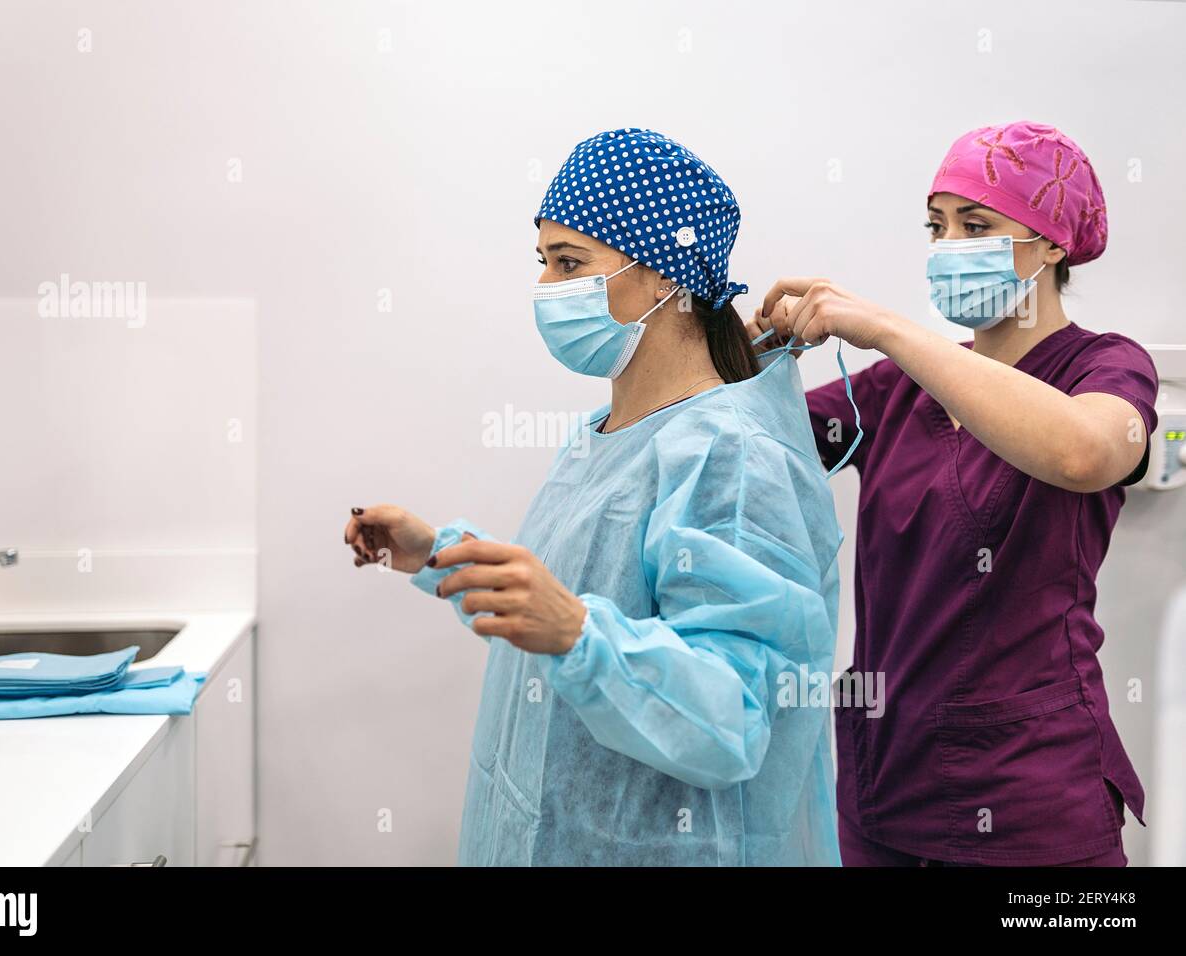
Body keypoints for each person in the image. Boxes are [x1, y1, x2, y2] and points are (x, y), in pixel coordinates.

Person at [345, 129, 852, 866]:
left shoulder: (729, 455)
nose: (548, 291)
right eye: (544, 265)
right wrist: (438, 554)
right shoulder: (605, 437)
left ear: (664, 278)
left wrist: (582, 636)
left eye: (570, 264)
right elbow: (567, 599)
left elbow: (735, 718)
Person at [753, 120, 1157, 866]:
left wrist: (886, 328)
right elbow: (750, 453)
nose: (947, 248)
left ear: (1053, 243)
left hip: (1030, 799)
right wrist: (750, 359)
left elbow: (1084, 450)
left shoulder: (1105, 368)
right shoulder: (894, 391)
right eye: (936, 227)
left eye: (975, 225)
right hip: (883, 790)